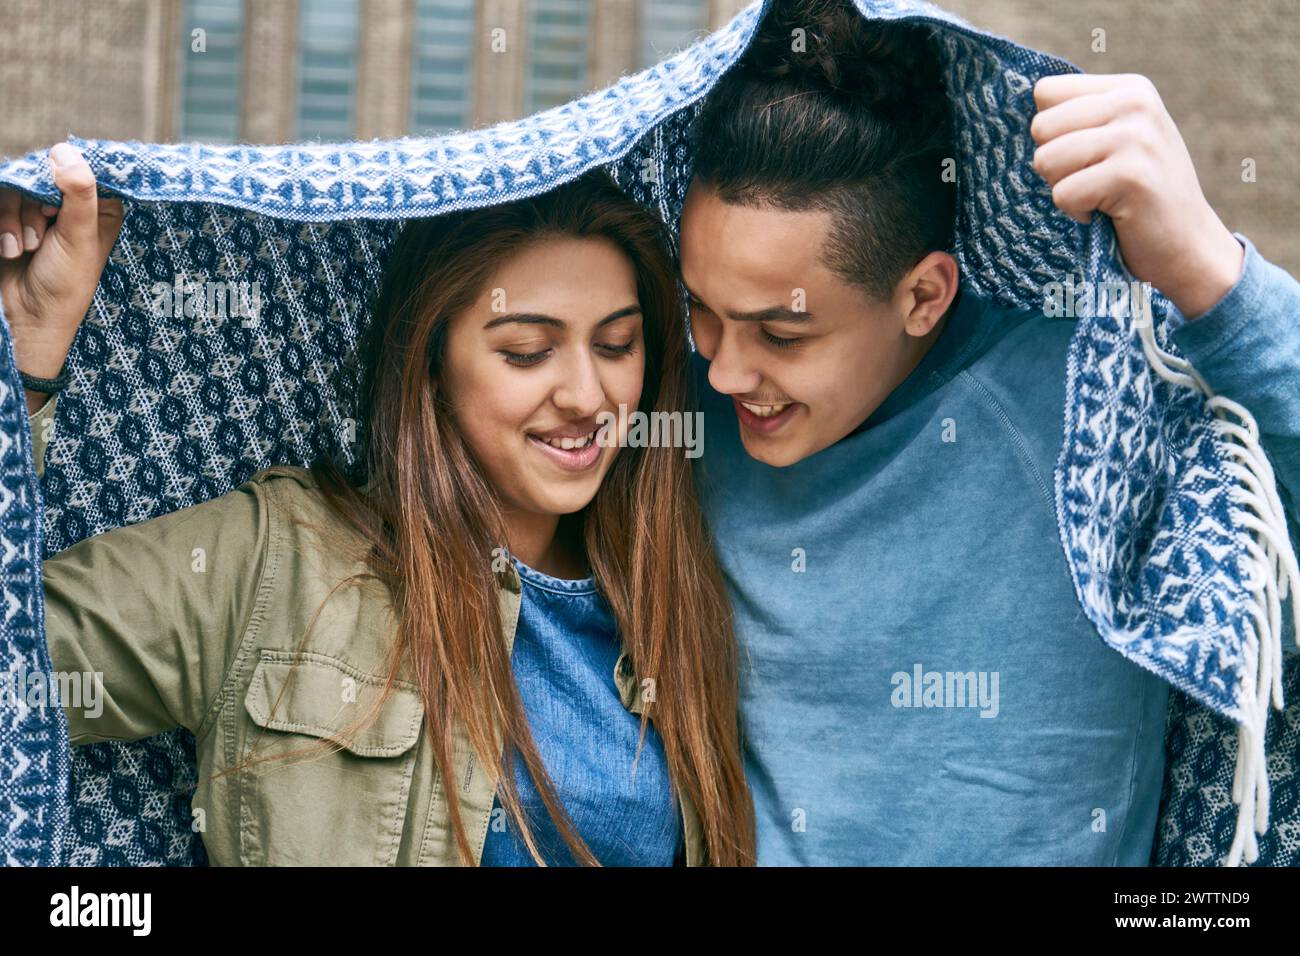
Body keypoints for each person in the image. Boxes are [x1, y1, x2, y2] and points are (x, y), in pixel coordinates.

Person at [0, 144, 755, 866]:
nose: (588, 397)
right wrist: (27, 354)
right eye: (527, 351)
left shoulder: (673, 597)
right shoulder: (277, 562)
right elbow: (14, 676)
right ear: (430, 366)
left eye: (618, 345)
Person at [676, 0, 1300, 864]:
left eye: (781, 335)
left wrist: (1204, 266)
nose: (724, 371)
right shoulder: (675, 422)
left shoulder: (1091, 405)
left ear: (924, 296)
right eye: (702, 313)